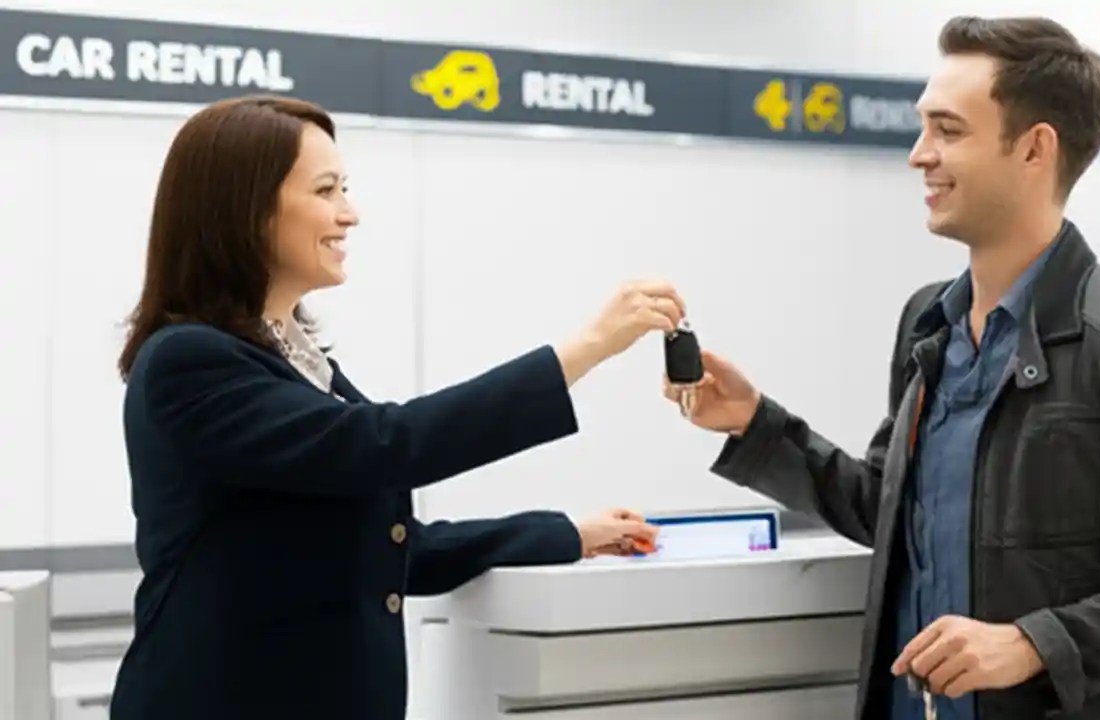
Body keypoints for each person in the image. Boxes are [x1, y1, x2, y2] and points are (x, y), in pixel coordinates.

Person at [665, 16, 1100, 720]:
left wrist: (1035, 643)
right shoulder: (931, 328)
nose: (920, 154)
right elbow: (888, 510)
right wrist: (755, 423)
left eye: (948, 131)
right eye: (925, 129)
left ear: (1035, 149)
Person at [109, 95, 681, 720]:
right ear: (246, 209)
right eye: (326, 190)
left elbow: (375, 548)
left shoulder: (297, 362)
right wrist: (587, 350)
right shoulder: (188, 363)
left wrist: (568, 534)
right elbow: (384, 445)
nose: (349, 214)